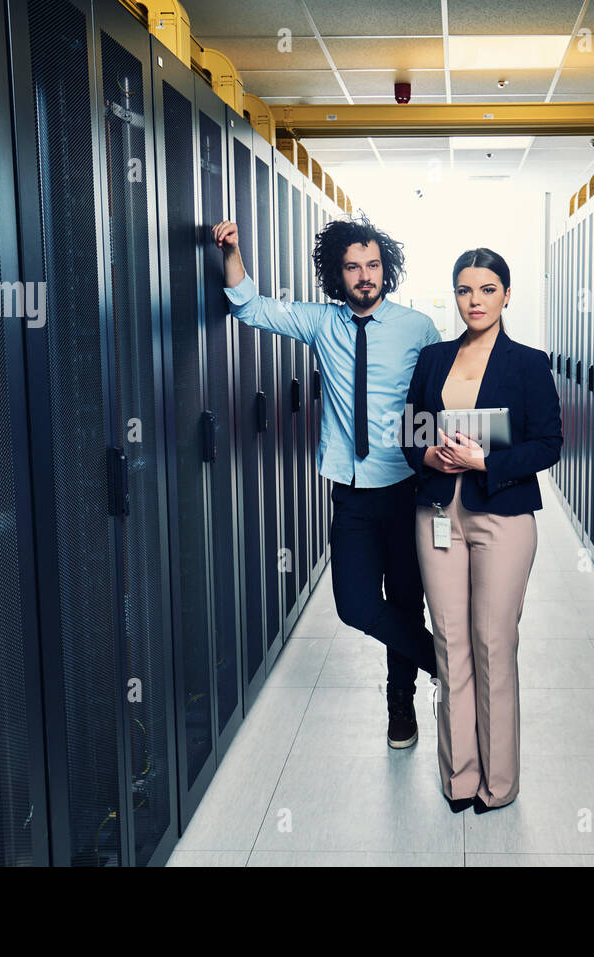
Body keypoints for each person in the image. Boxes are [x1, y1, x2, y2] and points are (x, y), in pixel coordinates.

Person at [213, 214, 440, 748]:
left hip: (408, 487)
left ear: (387, 269)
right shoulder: (321, 323)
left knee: (406, 600)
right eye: (354, 267)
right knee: (356, 604)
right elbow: (249, 306)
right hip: (352, 492)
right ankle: (445, 660)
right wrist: (232, 250)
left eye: (374, 265)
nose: (366, 275)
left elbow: (436, 402)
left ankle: (400, 702)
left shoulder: (417, 328)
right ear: (337, 275)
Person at [400, 248, 562, 813]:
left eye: (488, 289)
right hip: (439, 513)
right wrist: (430, 455)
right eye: (466, 290)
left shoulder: (528, 363)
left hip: (504, 516)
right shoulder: (433, 359)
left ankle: (499, 784)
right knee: (451, 642)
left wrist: (484, 464)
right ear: (455, 295)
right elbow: (409, 432)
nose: (475, 300)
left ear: (507, 295)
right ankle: (459, 778)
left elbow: (549, 445)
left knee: (494, 643)